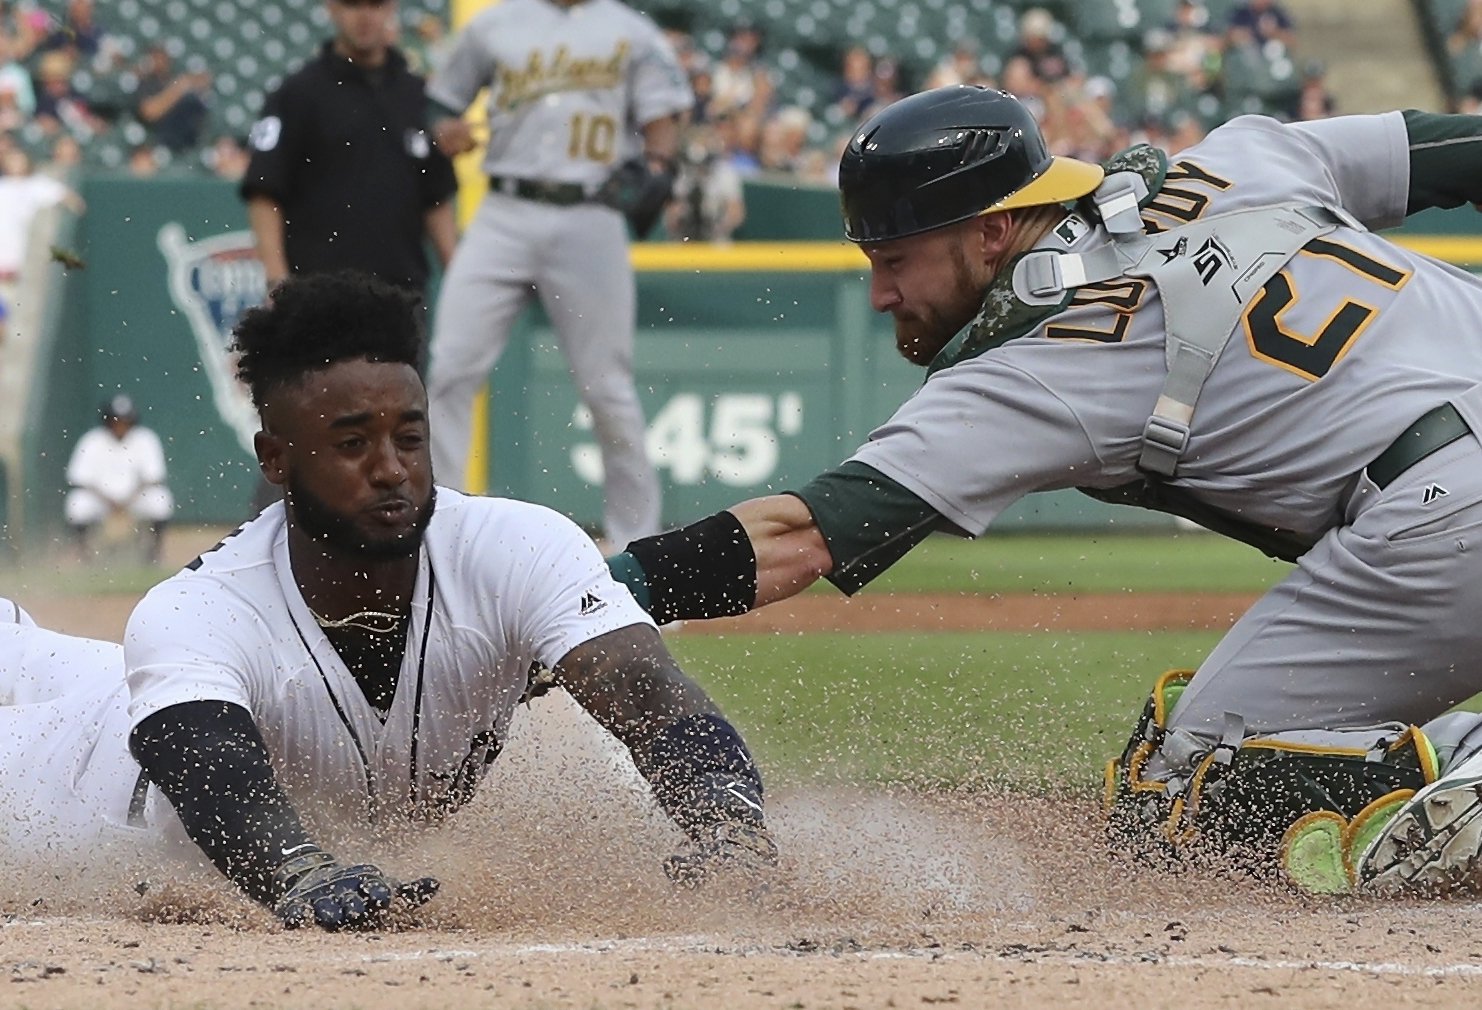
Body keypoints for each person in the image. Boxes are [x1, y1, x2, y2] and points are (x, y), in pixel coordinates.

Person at [602, 83, 1482, 898]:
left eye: (897, 259)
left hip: (1448, 513)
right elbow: (1460, 148)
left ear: (991, 234)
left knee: (1186, 794)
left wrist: (587, 595)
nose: (880, 293)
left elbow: (797, 539)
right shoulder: (1244, 157)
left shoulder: (1044, 366)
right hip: (1442, 485)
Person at [0, 271, 776, 931]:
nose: (392, 469)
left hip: (132, 685)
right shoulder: (200, 609)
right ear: (275, 458)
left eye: (409, 436)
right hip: (86, 784)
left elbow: (642, 689)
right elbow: (209, 770)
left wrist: (728, 826)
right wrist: (300, 872)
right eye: (351, 444)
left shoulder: (518, 549)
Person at [423, 0, 691, 546]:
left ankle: (636, 542)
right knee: (450, 368)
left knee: (607, 386)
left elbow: (663, 117)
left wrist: (660, 163)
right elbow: (438, 106)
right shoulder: (495, 24)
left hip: (591, 214)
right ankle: (441, 529)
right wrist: (444, 132)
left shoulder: (629, 30)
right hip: (504, 208)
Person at [240, 0, 458, 298]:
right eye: (353, 4)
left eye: (375, 4)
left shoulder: (417, 96)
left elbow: (436, 198)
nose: (365, 16)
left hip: (402, 294)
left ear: (391, 7)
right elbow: (265, 192)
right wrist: (276, 282)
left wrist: (457, 276)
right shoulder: (297, 93)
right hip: (318, 292)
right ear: (332, 7)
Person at [64, 393, 174, 564]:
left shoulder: (144, 438)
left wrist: (127, 501)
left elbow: (153, 477)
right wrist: (110, 502)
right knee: (77, 503)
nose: (120, 425)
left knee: (160, 500)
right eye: (115, 420)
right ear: (107, 421)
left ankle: (153, 554)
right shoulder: (93, 440)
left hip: (135, 498)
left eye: (125, 420)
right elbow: (81, 479)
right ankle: (85, 555)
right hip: (101, 499)